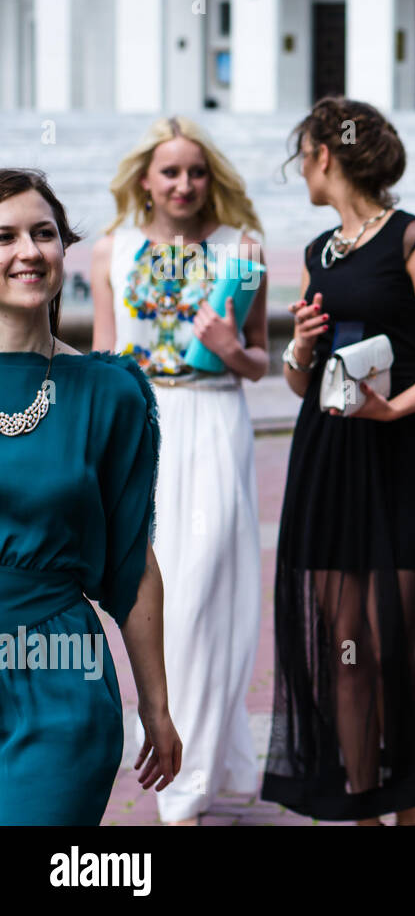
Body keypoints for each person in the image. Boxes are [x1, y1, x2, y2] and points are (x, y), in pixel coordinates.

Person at [263, 96, 415, 825]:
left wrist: (397, 406)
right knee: (344, 646)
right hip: (327, 456)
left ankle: (408, 806)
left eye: (304, 155)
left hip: (401, 453)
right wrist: (297, 345)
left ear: (325, 155)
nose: (300, 169)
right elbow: (300, 379)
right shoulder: (317, 254)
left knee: (391, 645)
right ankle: (363, 807)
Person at [91, 116, 267, 826]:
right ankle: (188, 769)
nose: (185, 184)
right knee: (165, 596)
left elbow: (259, 361)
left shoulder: (241, 249)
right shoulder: (113, 249)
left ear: (210, 177)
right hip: (145, 427)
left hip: (218, 421)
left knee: (209, 599)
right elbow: (105, 353)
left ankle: (191, 784)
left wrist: (229, 346)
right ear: (146, 181)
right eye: (170, 172)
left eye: (196, 171)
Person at [0, 168, 182, 824]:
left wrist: (155, 705)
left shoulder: (110, 393)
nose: (29, 250)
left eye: (43, 233)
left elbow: (133, 564)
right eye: (5, 236)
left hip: (57, 675)